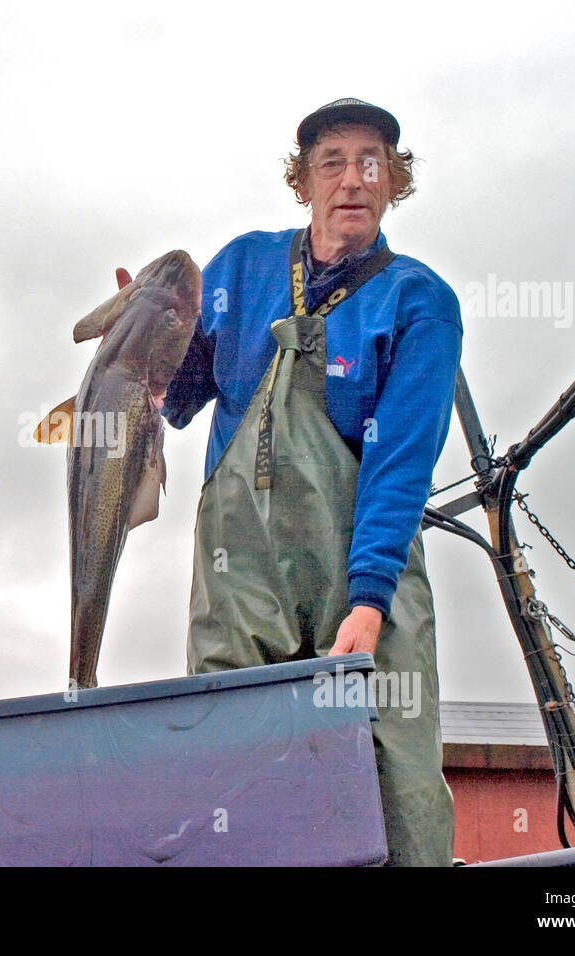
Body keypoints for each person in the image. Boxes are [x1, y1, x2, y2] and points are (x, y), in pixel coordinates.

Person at [161, 98, 461, 865]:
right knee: (232, 762)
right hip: (240, 574)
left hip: (365, 565)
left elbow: (400, 463)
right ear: (303, 182)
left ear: (394, 181)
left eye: (372, 162)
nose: (352, 179)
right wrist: (150, 336)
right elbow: (176, 401)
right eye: (332, 162)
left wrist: (367, 602)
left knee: (396, 767)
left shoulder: (419, 299)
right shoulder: (239, 268)